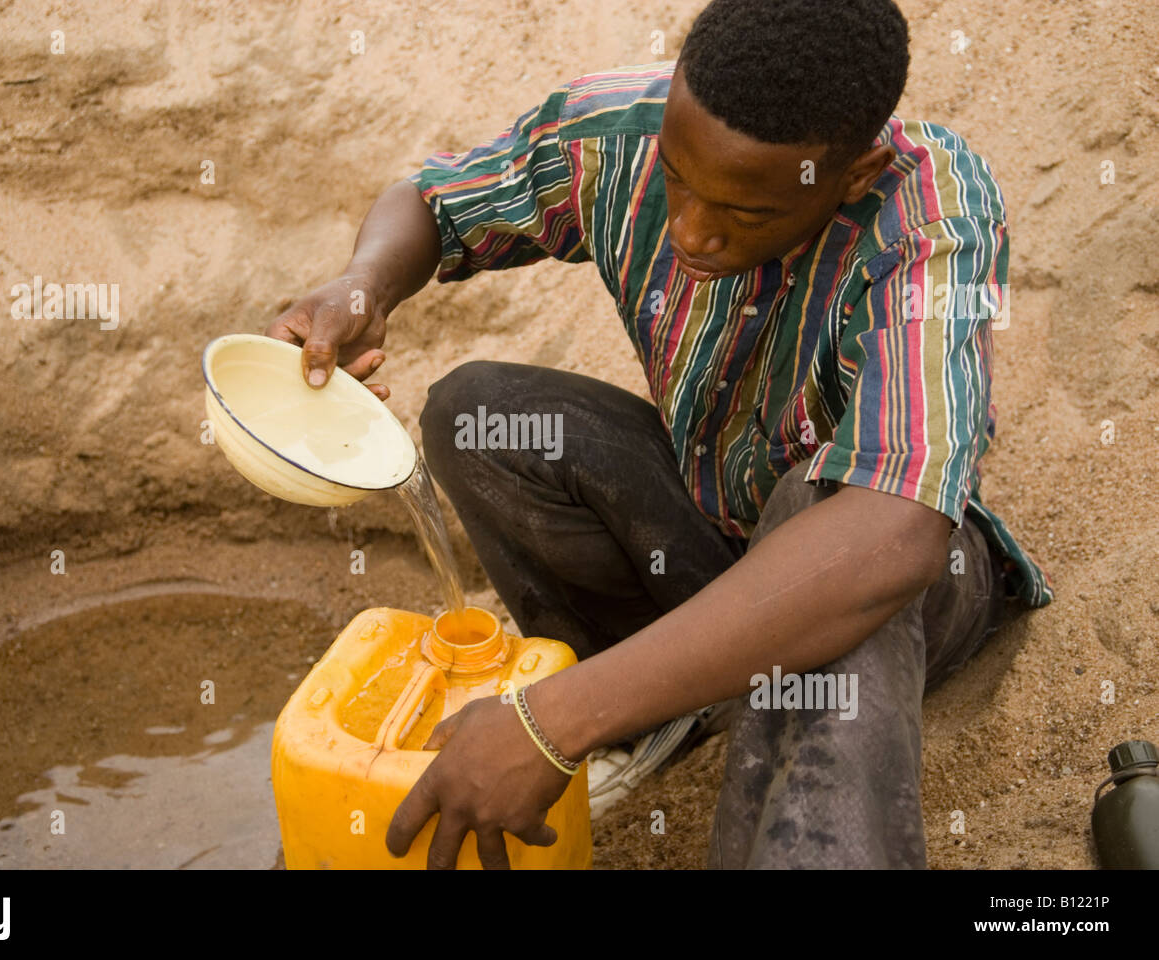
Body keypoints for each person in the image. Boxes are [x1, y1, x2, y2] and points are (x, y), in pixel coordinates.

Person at [265, 0, 1053, 869]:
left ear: (855, 173)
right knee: (475, 413)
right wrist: (365, 285)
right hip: (712, 543)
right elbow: (433, 202)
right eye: (678, 180)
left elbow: (894, 534)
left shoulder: (931, 219)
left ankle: (701, 766)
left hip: (891, 591)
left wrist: (549, 719)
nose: (690, 231)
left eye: (745, 214)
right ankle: (651, 704)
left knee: (821, 515)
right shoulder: (624, 133)